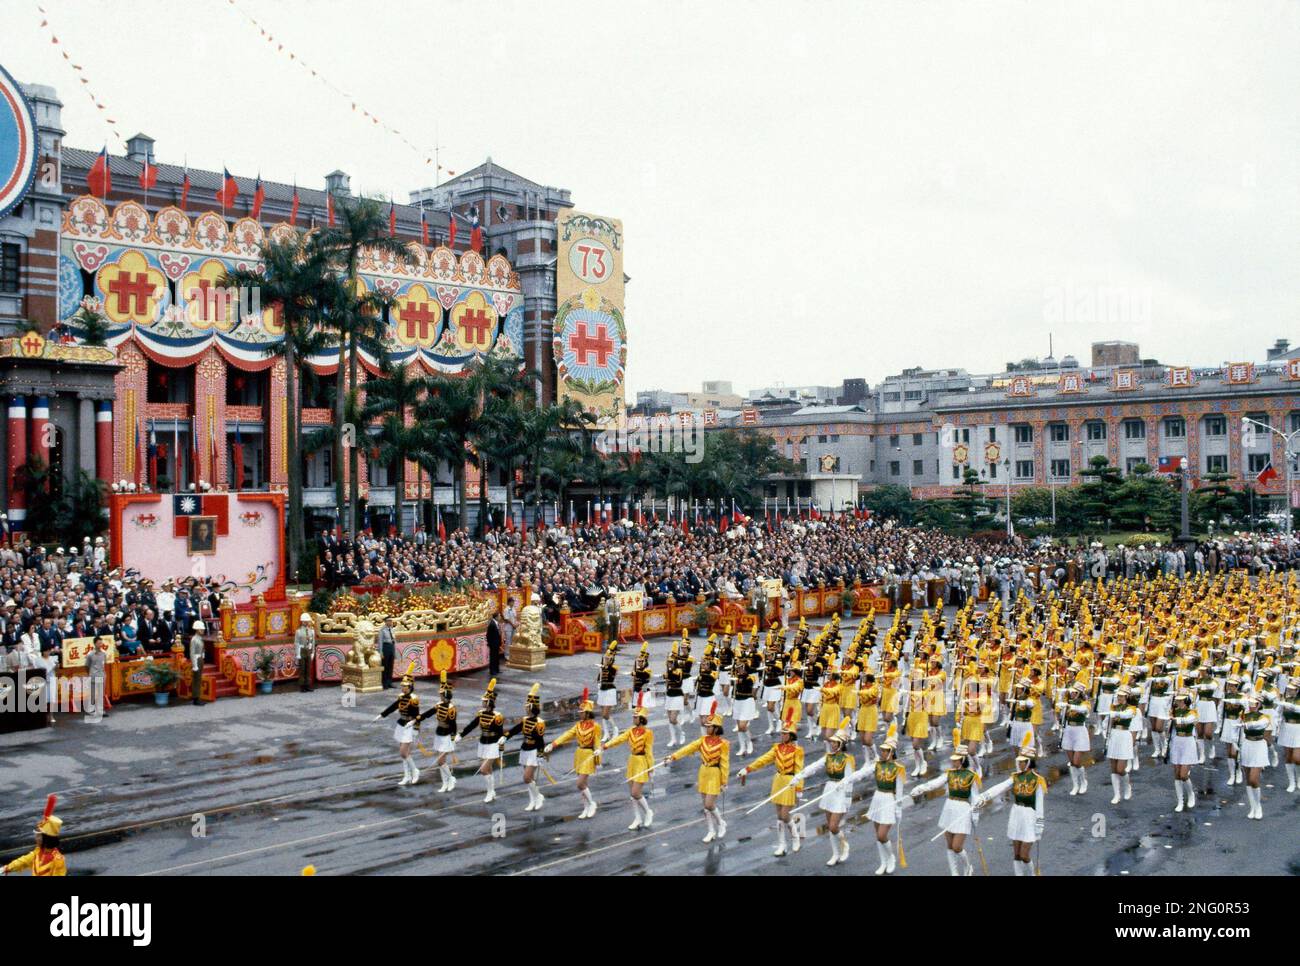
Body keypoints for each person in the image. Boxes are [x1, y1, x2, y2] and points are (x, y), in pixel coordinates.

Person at [910, 734, 982, 876]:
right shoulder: (949, 774)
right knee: (949, 846)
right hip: (949, 809)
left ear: (962, 760)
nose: (952, 762)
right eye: (952, 760)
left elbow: (975, 798)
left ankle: (967, 867)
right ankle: (954, 873)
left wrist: (975, 816)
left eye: (955, 760)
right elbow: (935, 783)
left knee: (957, 847)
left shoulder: (971, 776)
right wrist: (920, 788)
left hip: (963, 810)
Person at [738, 711, 803, 856]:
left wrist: (799, 788)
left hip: (790, 782)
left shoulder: (797, 751)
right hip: (778, 781)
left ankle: (795, 837)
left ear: (791, 735)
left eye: (785, 733)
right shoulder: (777, 748)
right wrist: (747, 769)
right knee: (779, 816)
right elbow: (763, 760)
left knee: (785, 815)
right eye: (782, 733)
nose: (782, 735)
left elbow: (799, 770)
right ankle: (782, 844)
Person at [667, 700, 730, 844]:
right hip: (703, 772)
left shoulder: (723, 744)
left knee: (709, 804)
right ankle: (710, 830)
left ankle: (721, 823)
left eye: (709, 726)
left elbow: (725, 763)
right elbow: (688, 748)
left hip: (715, 773)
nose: (706, 728)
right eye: (706, 726)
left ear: (716, 728)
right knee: (705, 807)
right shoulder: (702, 740)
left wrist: (724, 781)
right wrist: (673, 756)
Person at [795, 718, 856, 866]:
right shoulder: (828, 757)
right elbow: (814, 767)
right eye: (832, 742)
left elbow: (850, 780)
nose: (832, 743)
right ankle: (835, 853)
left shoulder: (848, 759)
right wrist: (798, 776)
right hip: (829, 790)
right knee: (830, 826)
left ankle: (844, 844)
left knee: (834, 826)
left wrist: (847, 798)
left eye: (835, 742)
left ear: (841, 744)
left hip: (840, 793)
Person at [546, 689, 603, 818]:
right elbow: (566, 735)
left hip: (589, 755)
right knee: (583, 785)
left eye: (582, 712)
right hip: (579, 754)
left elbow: (597, 742)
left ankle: (592, 803)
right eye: (579, 712)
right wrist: (553, 744)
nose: (579, 714)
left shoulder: (595, 726)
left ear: (588, 713)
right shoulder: (578, 726)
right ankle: (586, 807)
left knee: (580, 784)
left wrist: (598, 753)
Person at [603, 693, 656, 829]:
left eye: (635, 717)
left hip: (641, 762)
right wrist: (605, 746)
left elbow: (649, 751)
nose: (633, 718)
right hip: (632, 761)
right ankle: (637, 818)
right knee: (632, 794)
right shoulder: (631, 730)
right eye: (633, 716)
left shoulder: (648, 733)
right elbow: (620, 739)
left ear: (642, 719)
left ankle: (648, 812)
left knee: (635, 793)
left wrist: (651, 769)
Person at [866, 723, 905, 874]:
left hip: (889, 800)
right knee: (878, 835)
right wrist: (847, 780)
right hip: (877, 798)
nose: (882, 752)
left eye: (885, 751)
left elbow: (900, 791)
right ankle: (883, 862)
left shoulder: (898, 768)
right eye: (881, 750)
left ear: (891, 752)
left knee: (882, 835)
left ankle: (891, 858)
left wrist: (898, 809)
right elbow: (863, 773)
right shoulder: (877, 765)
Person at [459, 678, 506, 803]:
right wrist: (461, 734)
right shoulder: (481, 714)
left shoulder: (497, 716)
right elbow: (472, 725)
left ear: (490, 702)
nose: (482, 703)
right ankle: (492, 791)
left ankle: (490, 792)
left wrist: (501, 745)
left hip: (493, 744)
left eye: (485, 701)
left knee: (484, 769)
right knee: (488, 770)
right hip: (483, 743)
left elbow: (501, 734)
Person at [375, 662, 421, 785]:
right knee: (404, 754)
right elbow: (393, 707)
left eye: (405, 686)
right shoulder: (401, 696)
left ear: (410, 686)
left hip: (409, 727)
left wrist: (416, 728)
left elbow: (417, 716)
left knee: (403, 752)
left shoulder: (414, 699)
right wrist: (382, 715)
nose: (403, 687)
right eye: (402, 685)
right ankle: (407, 776)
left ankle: (415, 770)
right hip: (401, 725)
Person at [503, 683, 547, 812]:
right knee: (529, 779)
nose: (525, 708)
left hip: (534, 751)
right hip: (525, 750)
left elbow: (540, 740)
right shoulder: (525, 719)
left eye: (527, 706)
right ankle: (532, 799)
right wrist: (505, 737)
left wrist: (540, 755)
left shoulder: (540, 723)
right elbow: (515, 730)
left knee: (526, 778)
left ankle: (538, 796)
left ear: (532, 707)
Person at [2, 795, 65, 876]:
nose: (36, 838)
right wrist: (7, 868)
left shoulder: (58, 860)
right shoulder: (38, 852)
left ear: (46, 839)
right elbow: (24, 861)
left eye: (39, 836)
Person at [418, 672, 458, 792]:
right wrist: (419, 718)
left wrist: (453, 737)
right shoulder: (439, 705)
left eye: (441, 695)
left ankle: (450, 779)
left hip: (447, 734)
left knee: (440, 760)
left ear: (446, 696)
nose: (440, 697)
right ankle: (445, 783)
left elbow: (453, 724)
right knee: (441, 761)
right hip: (439, 733)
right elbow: (430, 713)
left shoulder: (451, 708)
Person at [295, 614, 316, 692]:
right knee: (302, 669)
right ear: (302, 622)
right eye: (305, 621)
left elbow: (313, 642)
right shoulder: (299, 631)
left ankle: (308, 685)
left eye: (307, 621)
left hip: (309, 650)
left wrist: (313, 652)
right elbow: (296, 643)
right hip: (302, 650)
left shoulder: (312, 631)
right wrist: (297, 653)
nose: (306, 623)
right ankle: (302, 686)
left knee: (308, 669)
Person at [188, 620, 206, 705]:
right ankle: (196, 698)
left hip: (200, 658)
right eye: (201, 629)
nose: (203, 630)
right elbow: (192, 653)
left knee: (199, 679)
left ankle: (198, 696)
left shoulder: (200, 638)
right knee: (196, 679)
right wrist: (194, 665)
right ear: (197, 629)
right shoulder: (194, 639)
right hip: (196, 659)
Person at [378, 616, 397, 689]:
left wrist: (394, 651)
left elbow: (394, 641)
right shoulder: (382, 630)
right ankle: (384, 683)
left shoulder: (392, 630)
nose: (390, 622)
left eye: (391, 621)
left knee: (390, 666)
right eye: (388, 621)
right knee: (385, 666)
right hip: (385, 647)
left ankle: (390, 682)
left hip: (391, 647)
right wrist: (381, 652)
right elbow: (380, 642)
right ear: (385, 622)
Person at [486, 610, 502, 678]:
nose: (500, 617)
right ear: (496, 617)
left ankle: (497, 669)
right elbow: (488, 635)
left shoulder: (497, 623)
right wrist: (490, 643)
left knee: (496, 656)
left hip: (497, 643)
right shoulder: (492, 624)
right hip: (493, 643)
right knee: (493, 657)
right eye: (499, 616)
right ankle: (492, 670)